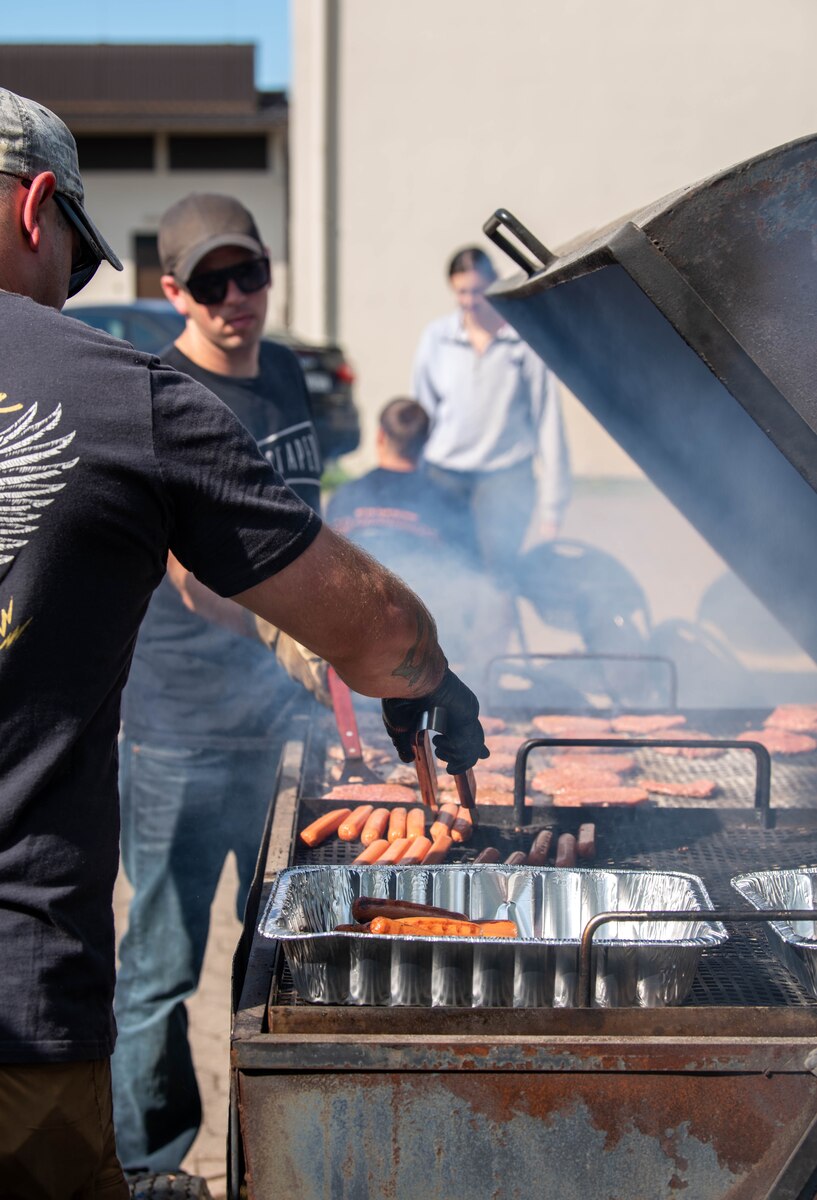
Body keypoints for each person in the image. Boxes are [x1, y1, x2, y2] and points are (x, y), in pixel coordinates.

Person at [0, 87, 487, 1199]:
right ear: (38, 210)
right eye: (68, 265)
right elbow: (379, 627)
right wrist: (427, 680)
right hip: (17, 1005)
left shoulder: (253, 384)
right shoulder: (125, 394)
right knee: (157, 976)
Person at [111, 193, 326, 1178]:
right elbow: (191, 575)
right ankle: (150, 1170)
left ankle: (263, 1159)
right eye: (211, 283)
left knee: (273, 955)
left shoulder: (284, 376)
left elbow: (309, 531)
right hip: (182, 727)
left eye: (250, 274)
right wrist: (290, 634)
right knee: (161, 968)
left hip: (282, 727)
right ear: (172, 293)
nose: (237, 298)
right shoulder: (160, 395)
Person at [411, 245, 571, 590]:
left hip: (506, 478)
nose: (469, 300)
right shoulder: (437, 338)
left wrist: (552, 506)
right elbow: (422, 412)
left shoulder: (523, 339)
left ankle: (495, 641)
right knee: (446, 573)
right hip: (444, 476)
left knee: (497, 578)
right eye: (461, 292)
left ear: (494, 284)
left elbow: (548, 421)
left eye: (477, 291)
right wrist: (414, 476)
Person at [326, 397, 500, 681]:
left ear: (380, 436)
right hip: (424, 654)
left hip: (352, 649)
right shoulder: (449, 502)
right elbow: (473, 581)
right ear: (426, 441)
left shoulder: (344, 496)